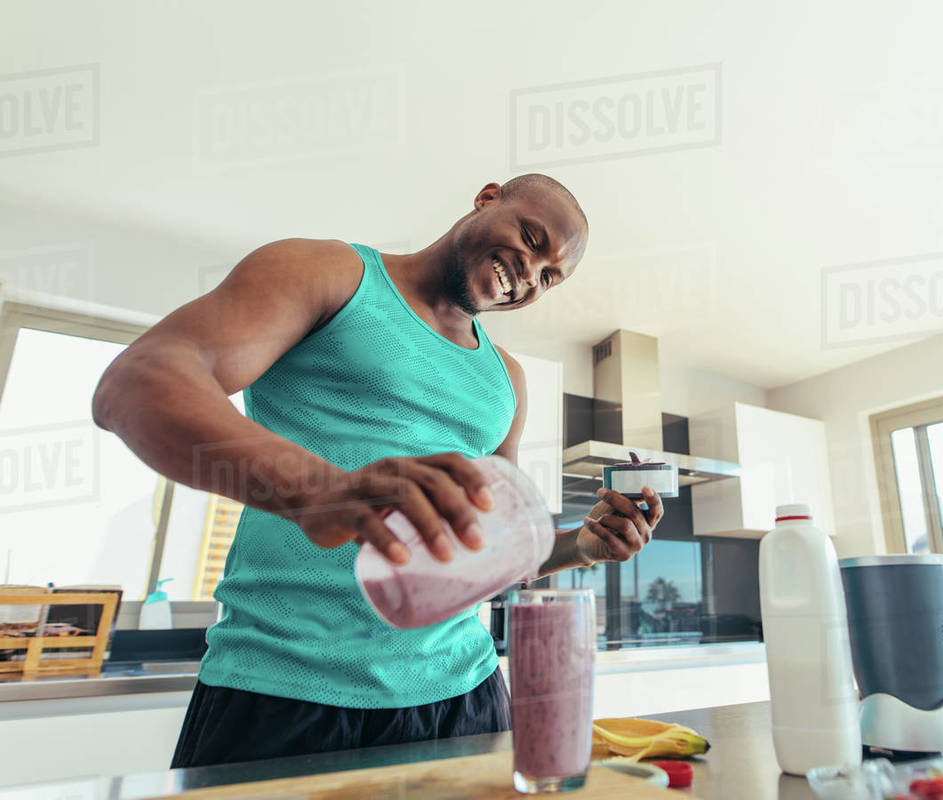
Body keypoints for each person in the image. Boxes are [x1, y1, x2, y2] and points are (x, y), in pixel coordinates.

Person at [92, 174, 664, 768]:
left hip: (463, 696)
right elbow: (138, 384)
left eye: (549, 276)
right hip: (282, 689)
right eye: (530, 237)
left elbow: (490, 554)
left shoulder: (507, 380)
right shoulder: (329, 273)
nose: (530, 273)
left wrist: (583, 545)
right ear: (488, 197)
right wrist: (319, 492)